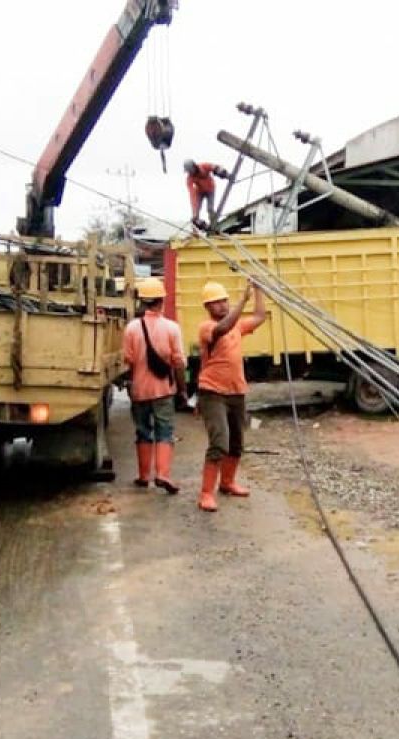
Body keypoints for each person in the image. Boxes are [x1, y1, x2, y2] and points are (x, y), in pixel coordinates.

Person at [196, 280, 267, 512]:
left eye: (224, 300)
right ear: (208, 307)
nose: (222, 305)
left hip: (236, 392)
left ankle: (227, 483)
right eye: (216, 303)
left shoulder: (237, 326)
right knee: (219, 442)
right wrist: (242, 300)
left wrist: (258, 290)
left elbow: (259, 316)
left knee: (237, 443)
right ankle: (206, 493)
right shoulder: (207, 327)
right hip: (213, 392)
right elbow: (223, 328)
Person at [122, 277, 186, 492]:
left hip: (140, 391)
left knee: (142, 431)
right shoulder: (172, 328)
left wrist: (132, 384)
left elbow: (129, 361)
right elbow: (178, 363)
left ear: (142, 302)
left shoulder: (131, 328)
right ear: (161, 301)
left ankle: (143, 476)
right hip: (164, 391)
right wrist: (182, 391)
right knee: (165, 432)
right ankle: (163, 474)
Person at [185, 160, 227, 230]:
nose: (190, 173)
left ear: (194, 167)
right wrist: (195, 212)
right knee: (195, 213)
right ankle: (197, 230)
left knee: (210, 209)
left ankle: (214, 225)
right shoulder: (190, 178)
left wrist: (221, 172)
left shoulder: (204, 166)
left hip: (210, 190)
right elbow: (192, 194)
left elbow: (215, 167)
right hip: (199, 192)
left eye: (190, 171)